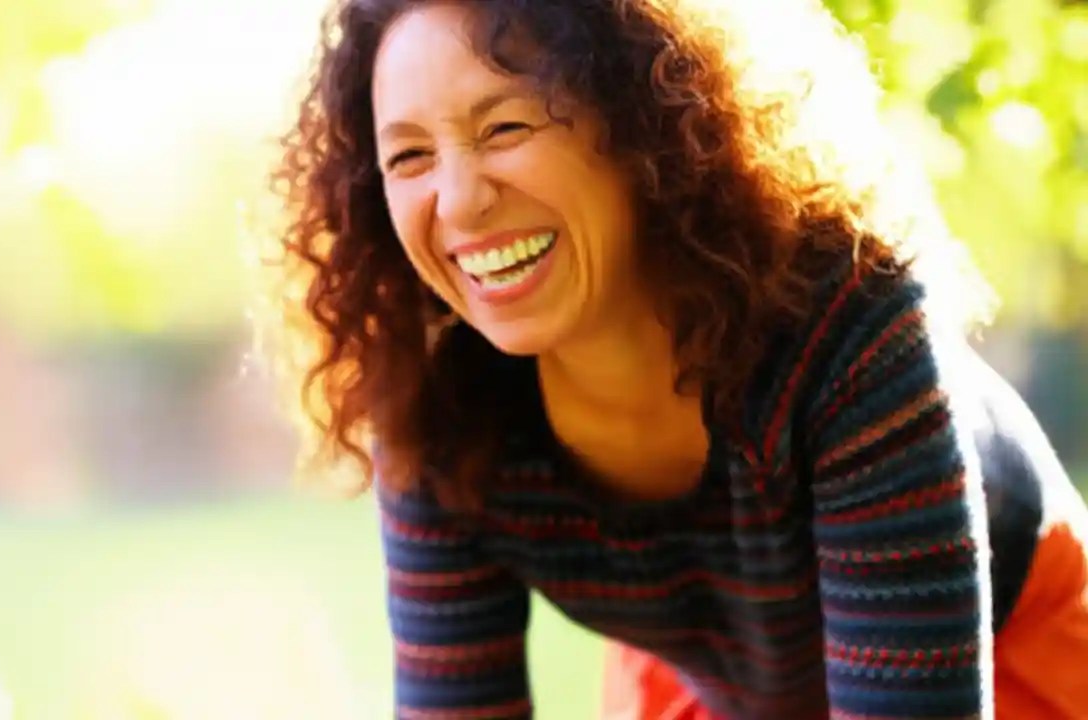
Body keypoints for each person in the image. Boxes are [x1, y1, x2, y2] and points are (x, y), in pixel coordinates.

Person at [270, 0, 1088, 717]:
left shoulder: (845, 321)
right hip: (714, 687)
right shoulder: (435, 398)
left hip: (1017, 659)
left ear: (639, 122)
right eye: (409, 157)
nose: (459, 200)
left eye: (506, 127)